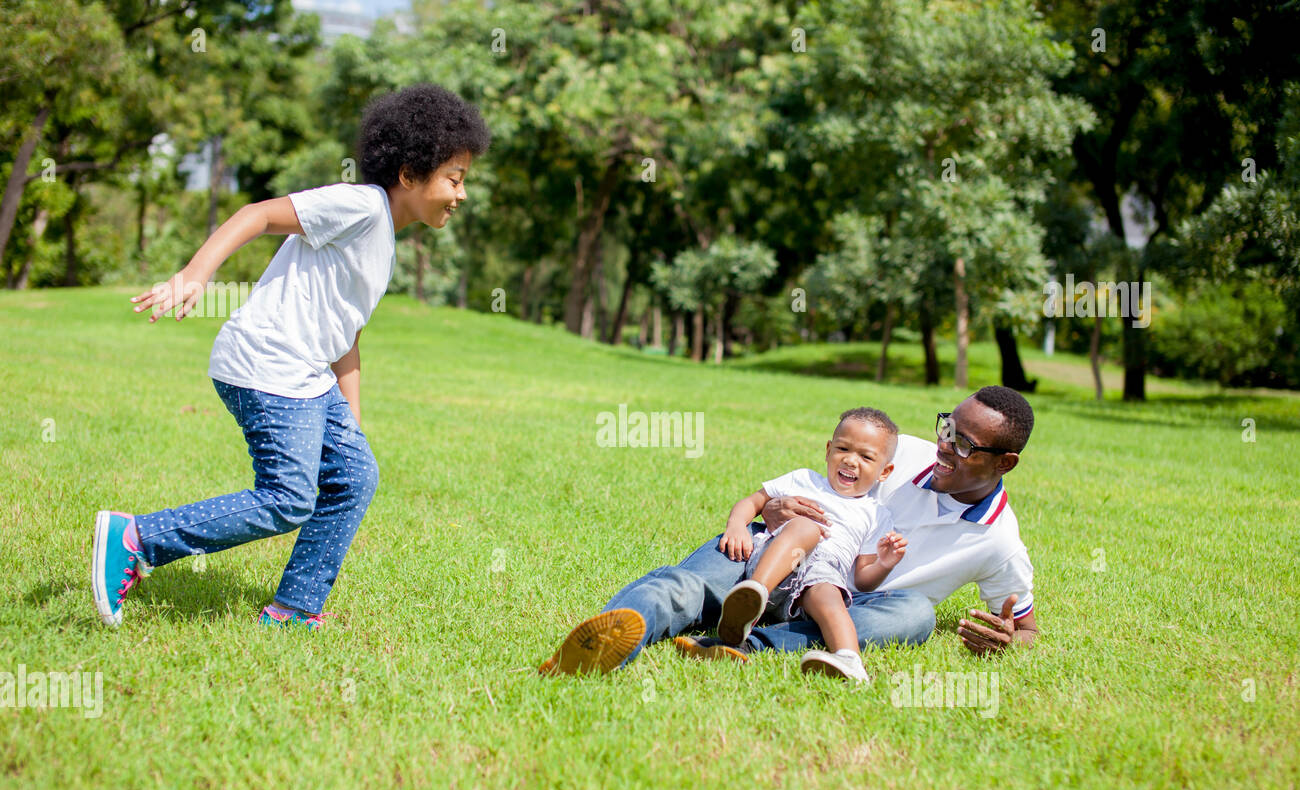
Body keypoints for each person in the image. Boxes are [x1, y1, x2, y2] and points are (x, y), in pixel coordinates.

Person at [90, 84, 490, 629]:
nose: (462, 193)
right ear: (408, 174)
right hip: (266, 364)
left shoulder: (384, 238)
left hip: (304, 372)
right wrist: (195, 274)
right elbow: (257, 215)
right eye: (455, 178)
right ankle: (137, 539)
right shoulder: (361, 205)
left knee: (354, 474)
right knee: (287, 498)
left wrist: (351, 418)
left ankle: (293, 609)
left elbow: (345, 333)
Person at [537, 386, 1039, 679]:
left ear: (1006, 462)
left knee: (914, 614)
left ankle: (747, 647)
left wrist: (1007, 640)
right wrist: (774, 509)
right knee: (686, 587)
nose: (944, 447)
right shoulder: (899, 450)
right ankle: (596, 647)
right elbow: (807, 487)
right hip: (772, 554)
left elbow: (1027, 632)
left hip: (838, 596)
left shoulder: (998, 543)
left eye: (965, 444)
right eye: (946, 428)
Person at [714, 407, 908, 683]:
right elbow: (752, 502)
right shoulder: (803, 480)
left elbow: (863, 580)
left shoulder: (876, 514)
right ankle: (752, 597)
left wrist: (885, 564)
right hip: (776, 561)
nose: (851, 461)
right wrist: (736, 526)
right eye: (843, 449)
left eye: (866, 457)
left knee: (830, 594)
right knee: (807, 528)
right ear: (828, 450)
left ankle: (849, 660)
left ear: (884, 471)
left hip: (818, 578)